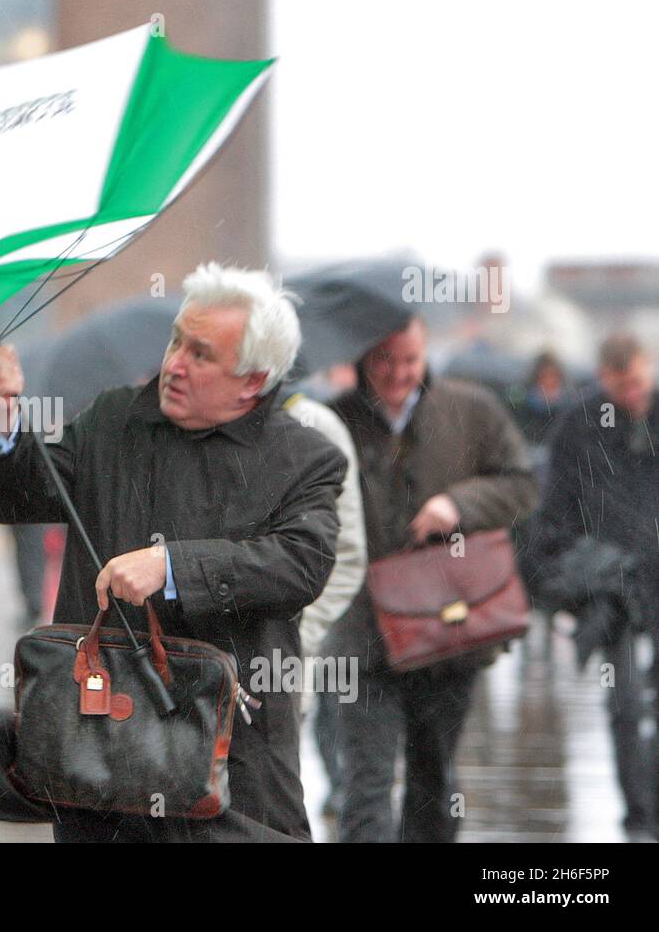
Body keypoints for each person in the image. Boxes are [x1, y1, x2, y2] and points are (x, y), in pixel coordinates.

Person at [0, 263, 346, 841]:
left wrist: (171, 567)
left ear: (253, 380)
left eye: (200, 354)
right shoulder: (112, 419)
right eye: (176, 340)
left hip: (232, 760)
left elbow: (301, 564)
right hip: (103, 750)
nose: (173, 363)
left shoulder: (305, 458)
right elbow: (20, 495)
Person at [328, 315, 537, 842]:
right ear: (362, 358)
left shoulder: (471, 410)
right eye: (384, 360)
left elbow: (521, 483)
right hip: (363, 635)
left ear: (425, 355)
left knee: (434, 778)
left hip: (448, 631)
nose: (398, 373)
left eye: (410, 360)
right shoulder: (332, 424)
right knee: (366, 782)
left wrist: (458, 504)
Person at [533, 333, 658, 840]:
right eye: (621, 384)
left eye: (637, 382)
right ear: (604, 378)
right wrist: (580, 572)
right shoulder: (578, 425)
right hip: (613, 584)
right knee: (624, 702)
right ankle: (638, 809)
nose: (631, 394)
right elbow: (557, 509)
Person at [279, 389, 367, 819]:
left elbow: (347, 554)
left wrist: (298, 636)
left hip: (280, 667)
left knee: (270, 806)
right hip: (199, 668)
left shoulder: (314, 425)